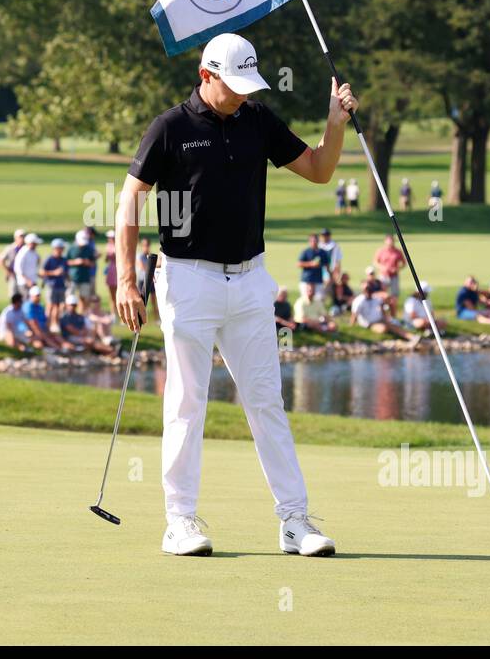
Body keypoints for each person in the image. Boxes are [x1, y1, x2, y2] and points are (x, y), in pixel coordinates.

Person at [116, 32, 356, 557]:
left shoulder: (258, 120)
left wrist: (334, 126)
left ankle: (295, 521)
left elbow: (319, 170)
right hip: (186, 277)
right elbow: (130, 202)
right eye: (234, 85)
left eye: (249, 85)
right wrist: (126, 281)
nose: (243, 95)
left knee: (266, 401)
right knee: (186, 403)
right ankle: (179, 522)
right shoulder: (170, 128)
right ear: (206, 76)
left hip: (249, 279)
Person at [351, 279, 420, 343]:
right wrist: (352, 325)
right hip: (369, 323)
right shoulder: (359, 301)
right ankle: (404, 337)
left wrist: (386, 319)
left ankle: (412, 337)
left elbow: (382, 309)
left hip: (380, 320)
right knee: (384, 328)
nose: (368, 290)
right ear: (363, 289)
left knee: (393, 325)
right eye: (366, 288)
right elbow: (354, 314)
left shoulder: (376, 298)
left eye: (369, 288)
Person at [24, 286, 71, 351]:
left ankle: (69, 347)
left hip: (43, 329)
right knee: (44, 338)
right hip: (33, 331)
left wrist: (47, 330)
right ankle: (58, 349)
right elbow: (32, 323)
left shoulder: (39, 306)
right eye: (37, 296)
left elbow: (45, 320)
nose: (39, 297)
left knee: (55, 336)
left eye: (39, 295)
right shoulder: (29, 306)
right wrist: (40, 333)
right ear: (31, 296)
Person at [40, 238, 69, 330]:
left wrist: (69, 280)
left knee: (59, 306)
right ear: (55, 248)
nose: (62, 250)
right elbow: (41, 272)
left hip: (61, 286)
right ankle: (46, 325)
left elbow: (67, 272)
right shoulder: (49, 259)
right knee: (50, 306)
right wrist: (54, 273)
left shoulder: (64, 259)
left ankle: (55, 324)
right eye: (60, 248)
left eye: (62, 248)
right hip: (51, 286)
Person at [373, 233, 406, 305]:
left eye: (392, 240)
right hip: (383, 275)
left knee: (394, 295)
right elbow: (375, 262)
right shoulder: (381, 251)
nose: (390, 242)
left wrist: (397, 268)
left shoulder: (398, 251)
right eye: (389, 241)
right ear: (385, 241)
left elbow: (404, 263)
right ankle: (383, 310)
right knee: (382, 294)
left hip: (394, 276)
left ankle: (393, 312)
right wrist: (382, 267)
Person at [64, 229, 96, 301]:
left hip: (85, 277)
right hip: (73, 277)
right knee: (69, 297)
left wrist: (87, 263)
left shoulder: (88, 249)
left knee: (84, 298)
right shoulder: (71, 248)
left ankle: (82, 312)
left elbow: (92, 263)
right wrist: (76, 262)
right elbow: (66, 262)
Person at [0, 229, 26, 300]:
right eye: (20, 237)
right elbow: (1, 260)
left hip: (24, 275)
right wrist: (8, 271)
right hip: (13, 275)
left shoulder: (26, 248)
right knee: (14, 295)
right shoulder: (10, 248)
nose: (22, 239)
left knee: (24, 296)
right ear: (15, 238)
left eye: (23, 237)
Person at [13, 232, 43, 297]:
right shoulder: (23, 252)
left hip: (33, 281)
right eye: (35, 244)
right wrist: (27, 281)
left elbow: (36, 264)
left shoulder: (34, 252)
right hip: (24, 283)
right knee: (25, 302)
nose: (36, 245)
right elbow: (17, 268)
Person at [103, 229, 119, 311]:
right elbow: (106, 259)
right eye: (109, 237)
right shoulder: (108, 246)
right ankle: (113, 313)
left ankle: (120, 313)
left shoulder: (119, 245)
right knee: (111, 294)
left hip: (117, 269)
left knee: (118, 293)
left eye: (111, 237)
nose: (110, 239)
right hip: (111, 269)